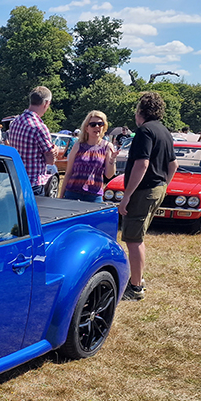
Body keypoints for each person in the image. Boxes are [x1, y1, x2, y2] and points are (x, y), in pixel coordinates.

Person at [119, 92, 178, 301]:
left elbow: (142, 164)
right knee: (138, 237)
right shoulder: (164, 131)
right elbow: (173, 165)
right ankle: (138, 279)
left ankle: (135, 288)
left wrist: (126, 196)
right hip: (157, 188)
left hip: (144, 191)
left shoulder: (144, 131)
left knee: (133, 239)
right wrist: (163, 185)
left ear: (140, 111)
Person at [9, 86, 57, 195]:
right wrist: (55, 149)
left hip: (16, 180)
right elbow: (50, 161)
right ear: (46, 103)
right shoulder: (39, 127)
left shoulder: (14, 122)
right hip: (33, 183)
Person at [61, 111, 117, 203]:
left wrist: (112, 161)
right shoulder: (78, 145)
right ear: (86, 128)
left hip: (94, 196)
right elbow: (68, 173)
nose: (97, 127)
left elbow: (109, 175)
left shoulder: (107, 146)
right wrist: (60, 196)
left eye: (100, 124)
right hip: (72, 193)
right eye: (93, 124)